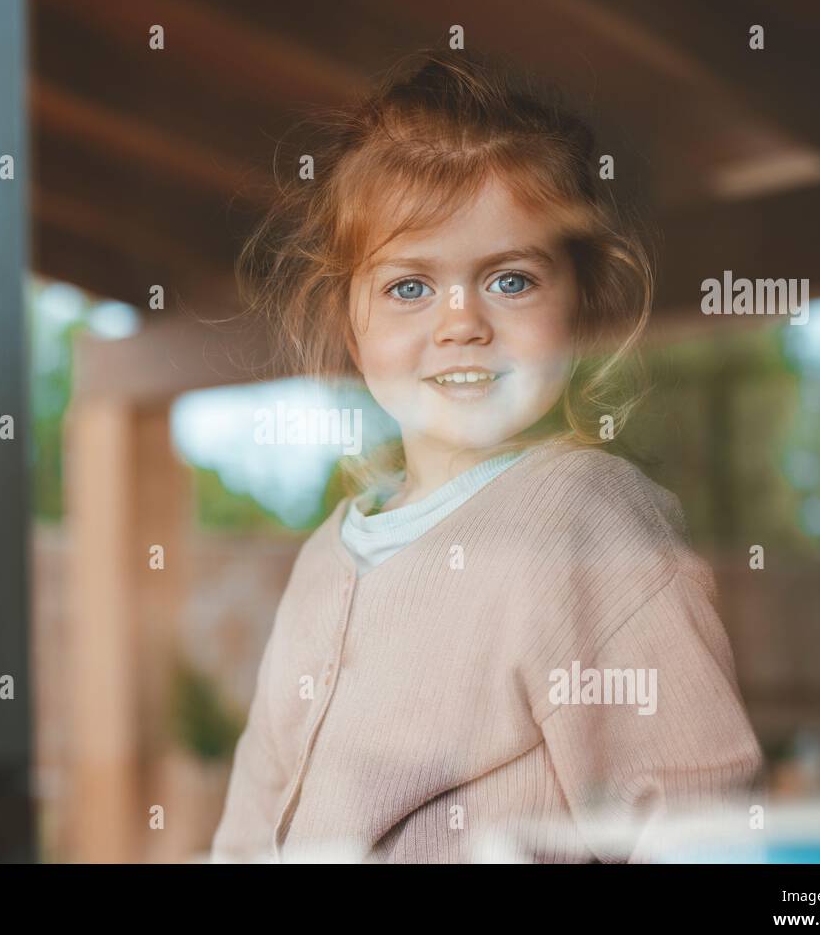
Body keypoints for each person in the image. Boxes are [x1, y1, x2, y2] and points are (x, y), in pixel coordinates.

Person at [210, 49, 763, 863]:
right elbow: (250, 827)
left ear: (585, 303)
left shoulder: (587, 521)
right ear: (348, 319)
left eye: (510, 280)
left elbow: (698, 827)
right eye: (409, 287)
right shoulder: (327, 555)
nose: (460, 322)